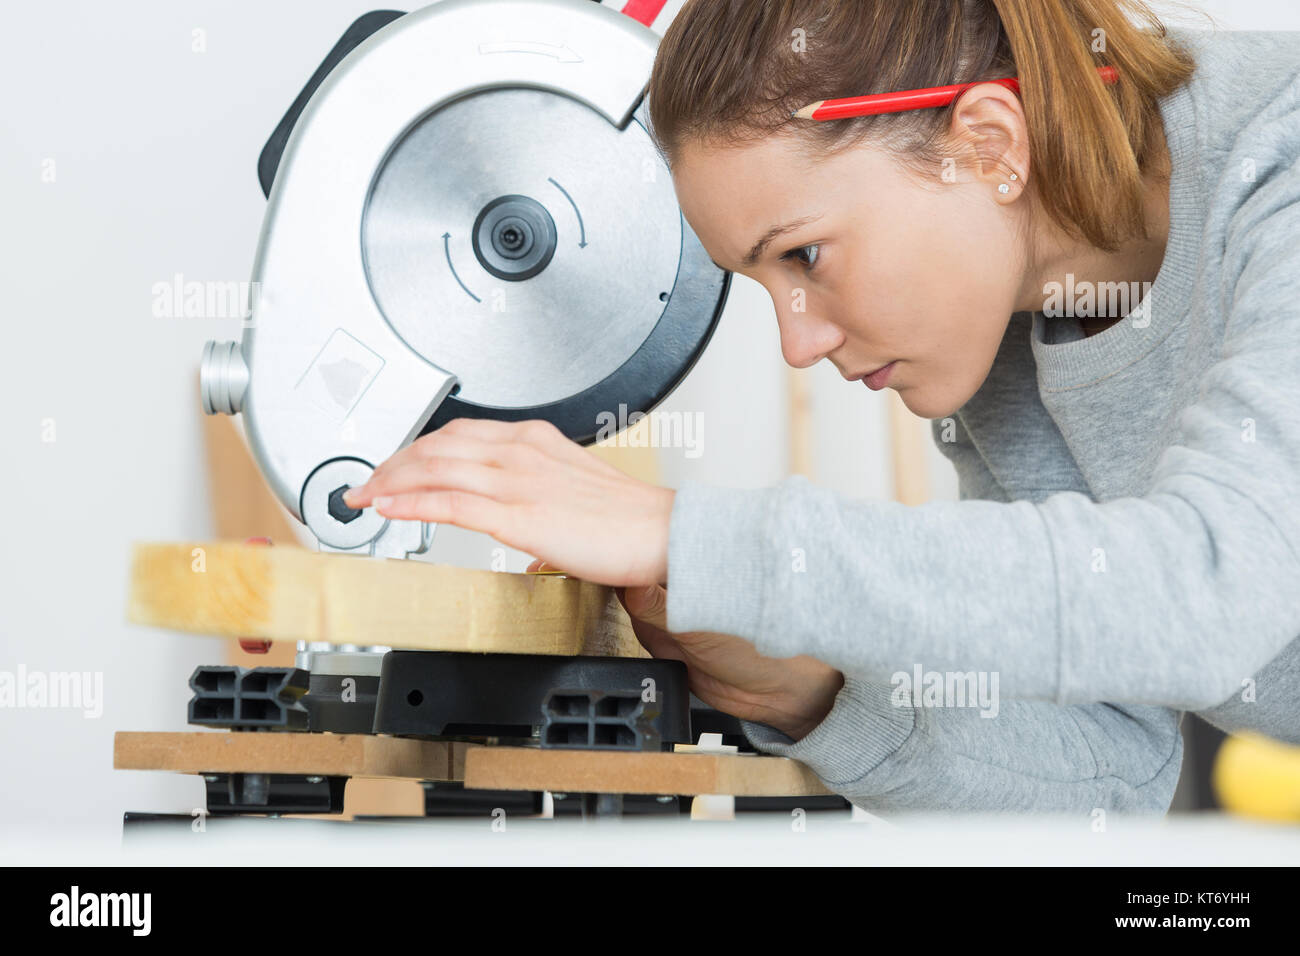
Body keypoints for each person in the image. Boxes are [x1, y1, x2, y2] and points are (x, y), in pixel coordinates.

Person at [343, 0, 1300, 813]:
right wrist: (814, 693)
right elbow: (1105, 775)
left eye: (803, 255)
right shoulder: (1006, 322)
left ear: (987, 145)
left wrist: (695, 538)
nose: (800, 343)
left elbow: (1213, 589)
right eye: (759, 281)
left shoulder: (1281, 152)